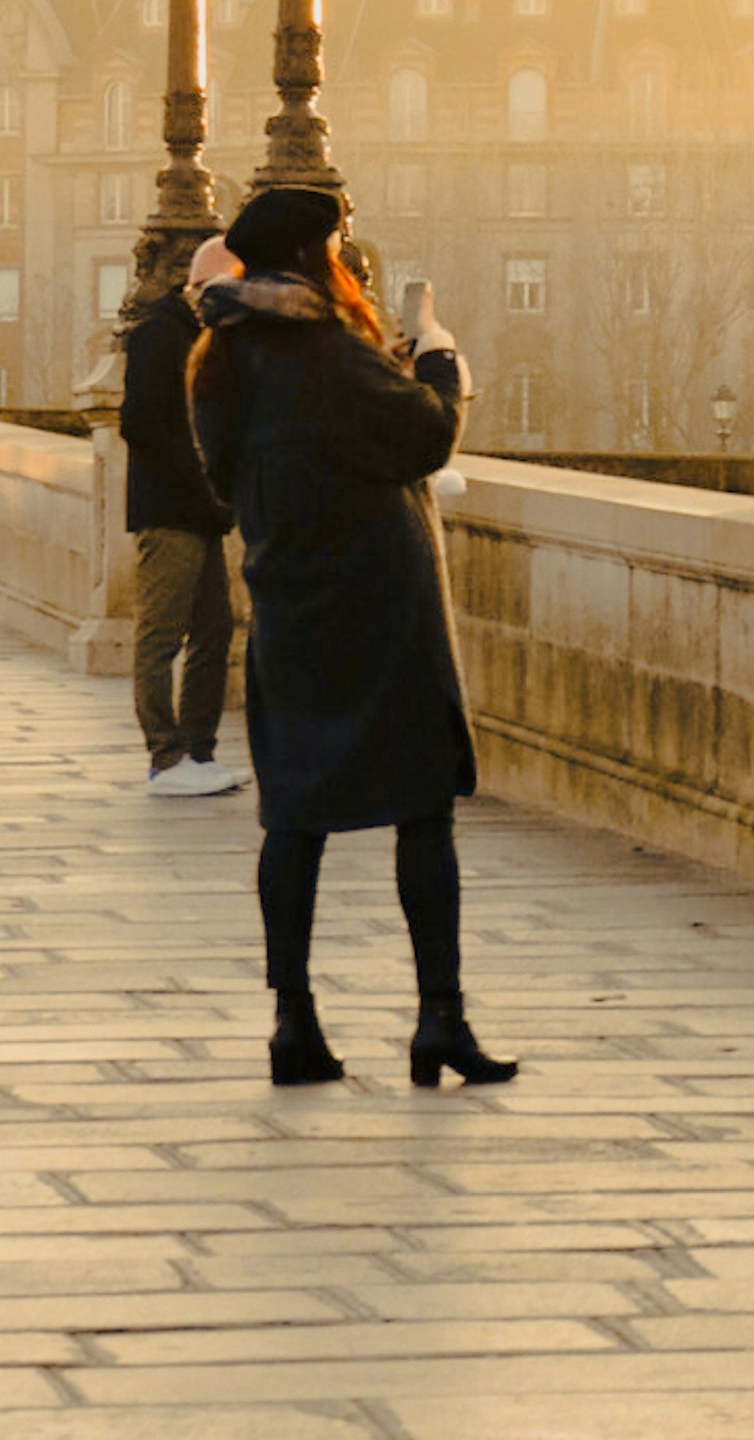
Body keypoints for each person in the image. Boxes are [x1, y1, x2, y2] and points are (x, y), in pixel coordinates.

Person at [185, 183, 513, 1089]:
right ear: (313, 255)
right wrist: (440, 359)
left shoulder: (219, 358)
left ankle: (293, 1022)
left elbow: (225, 480)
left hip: (288, 604)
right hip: (380, 606)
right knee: (422, 811)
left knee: (293, 822)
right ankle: (438, 1018)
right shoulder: (326, 349)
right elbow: (428, 435)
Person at [119, 260, 246, 802]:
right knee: (161, 636)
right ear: (204, 284)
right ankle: (165, 756)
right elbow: (141, 424)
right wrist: (199, 488)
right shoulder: (157, 334)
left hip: (200, 512)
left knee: (215, 629)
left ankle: (198, 750)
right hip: (170, 511)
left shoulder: (200, 336)